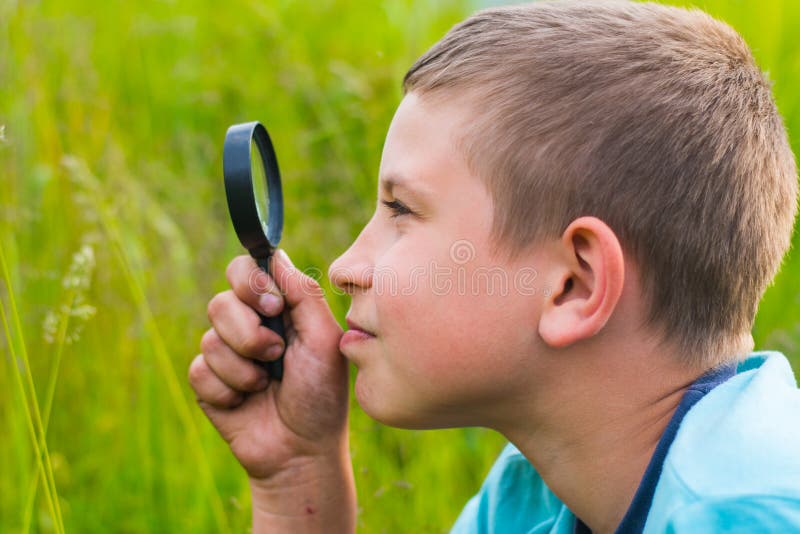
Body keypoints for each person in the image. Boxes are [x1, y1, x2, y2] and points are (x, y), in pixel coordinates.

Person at [188, 1, 800, 532]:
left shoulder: (754, 514)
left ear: (573, 286)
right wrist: (299, 477)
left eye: (402, 210)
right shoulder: (534, 498)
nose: (345, 268)